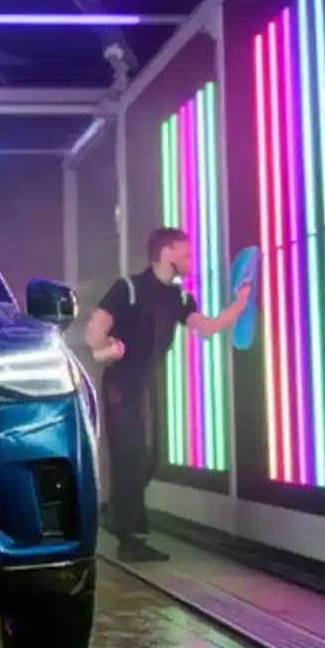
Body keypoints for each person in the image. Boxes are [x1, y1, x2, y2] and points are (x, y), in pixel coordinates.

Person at [85, 227, 250, 562]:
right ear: (167, 252)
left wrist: (242, 302)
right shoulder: (129, 287)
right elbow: (94, 331)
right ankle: (131, 537)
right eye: (186, 253)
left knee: (151, 457)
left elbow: (207, 327)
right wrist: (107, 347)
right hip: (122, 379)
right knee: (131, 454)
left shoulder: (178, 297)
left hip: (148, 379)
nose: (191, 261)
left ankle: (116, 515)